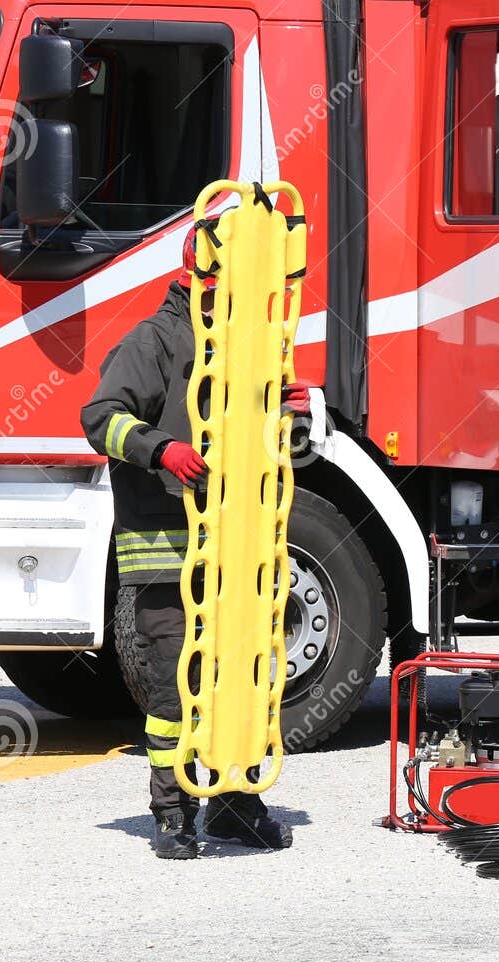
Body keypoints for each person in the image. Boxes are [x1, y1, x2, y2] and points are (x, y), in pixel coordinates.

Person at [80, 226, 299, 859]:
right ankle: (172, 810)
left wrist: (296, 409)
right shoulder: (154, 341)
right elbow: (102, 417)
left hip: (236, 546)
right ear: (203, 280)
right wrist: (160, 449)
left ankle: (235, 803)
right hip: (166, 550)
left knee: (242, 677)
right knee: (176, 681)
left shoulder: (247, 345)